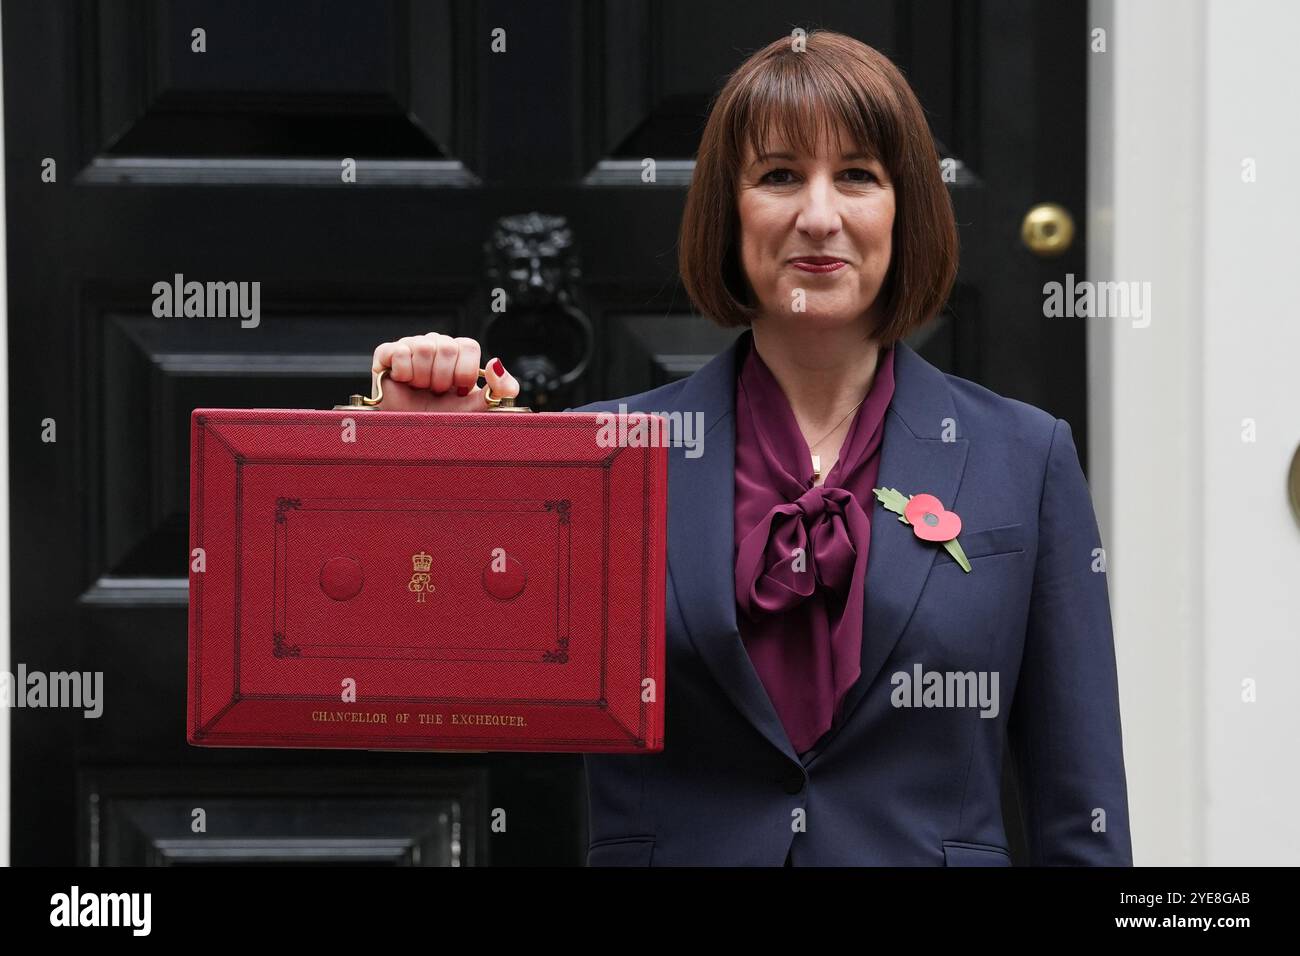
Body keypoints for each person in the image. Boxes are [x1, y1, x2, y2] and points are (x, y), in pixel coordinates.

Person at [370, 30, 1132, 866]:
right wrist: (419, 456)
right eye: (777, 176)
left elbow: (1080, 817)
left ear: (903, 208)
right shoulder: (608, 456)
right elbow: (416, 673)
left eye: (857, 176)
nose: (818, 214)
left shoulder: (1025, 457)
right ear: (727, 214)